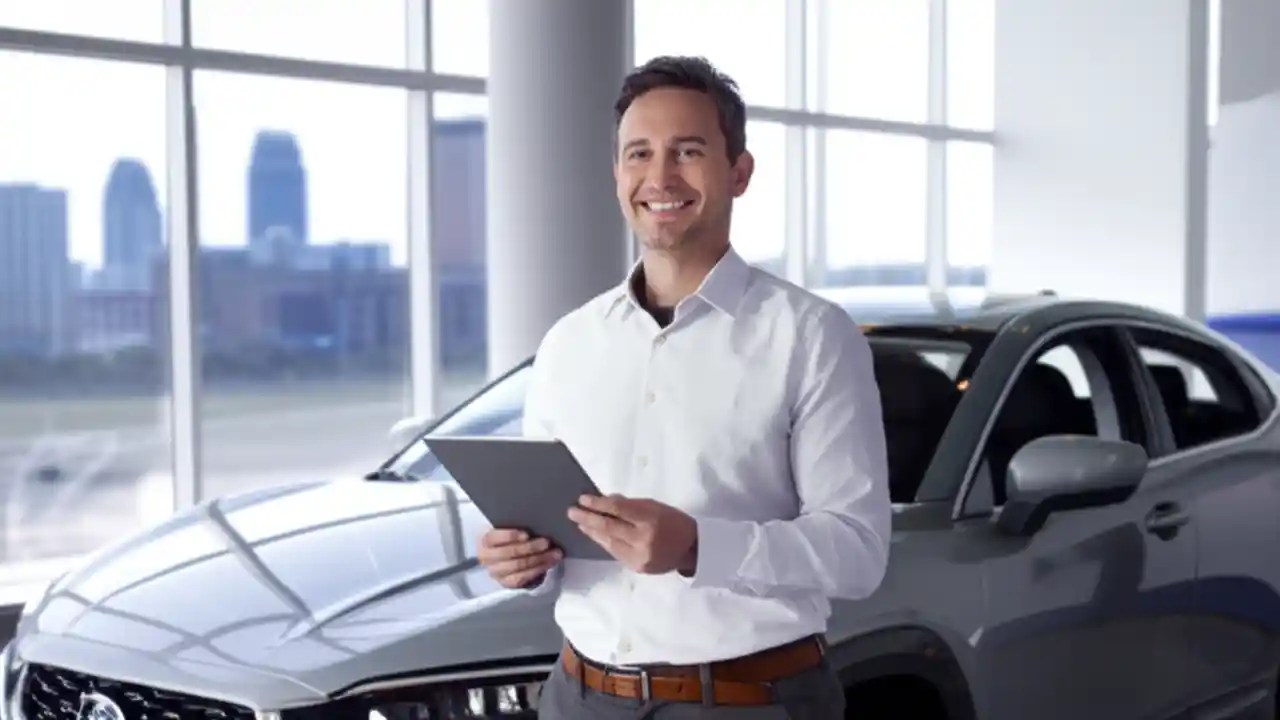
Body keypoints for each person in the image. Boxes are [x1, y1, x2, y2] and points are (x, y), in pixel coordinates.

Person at [476, 55, 891, 719]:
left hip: (745, 701)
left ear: (739, 171)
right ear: (617, 174)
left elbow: (859, 554)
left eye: (688, 151)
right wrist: (522, 560)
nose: (659, 177)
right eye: (638, 153)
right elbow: (554, 531)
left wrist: (698, 546)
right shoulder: (568, 344)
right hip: (575, 696)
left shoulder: (812, 336)